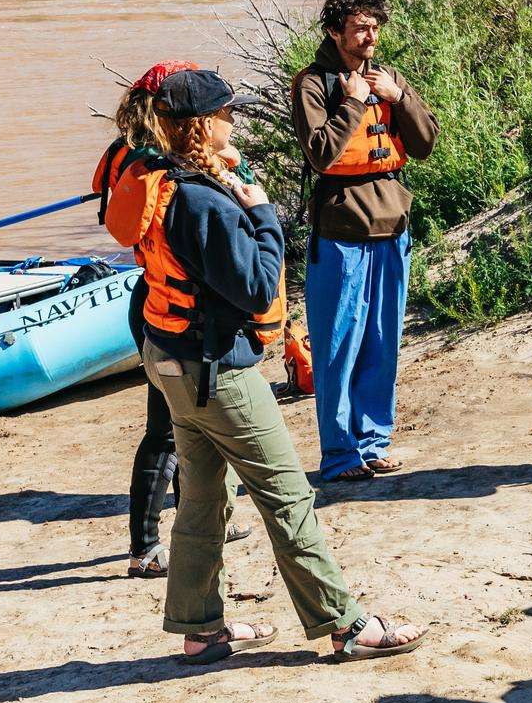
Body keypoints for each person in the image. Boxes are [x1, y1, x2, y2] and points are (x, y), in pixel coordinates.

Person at [102, 66, 427, 663]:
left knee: (202, 500)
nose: (235, 122)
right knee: (286, 496)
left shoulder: (158, 181)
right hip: (218, 374)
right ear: (202, 126)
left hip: (170, 364)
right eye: (228, 114)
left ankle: (200, 629)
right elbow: (255, 288)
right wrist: (266, 217)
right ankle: (346, 625)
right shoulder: (205, 202)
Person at [91, 60, 250, 578]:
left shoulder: (132, 156)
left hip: (153, 290)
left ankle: (198, 519)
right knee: (166, 428)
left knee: (189, 424)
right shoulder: (167, 161)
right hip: (169, 300)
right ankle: (143, 547)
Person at [290, 0, 439, 483]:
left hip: (393, 226)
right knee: (337, 346)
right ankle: (339, 454)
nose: (370, 37)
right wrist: (353, 103)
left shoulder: (390, 77)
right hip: (340, 231)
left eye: (375, 28)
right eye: (360, 28)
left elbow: (425, 144)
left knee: (383, 341)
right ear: (336, 32)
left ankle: (374, 443)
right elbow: (320, 154)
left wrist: (402, 99)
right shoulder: (312, 85)